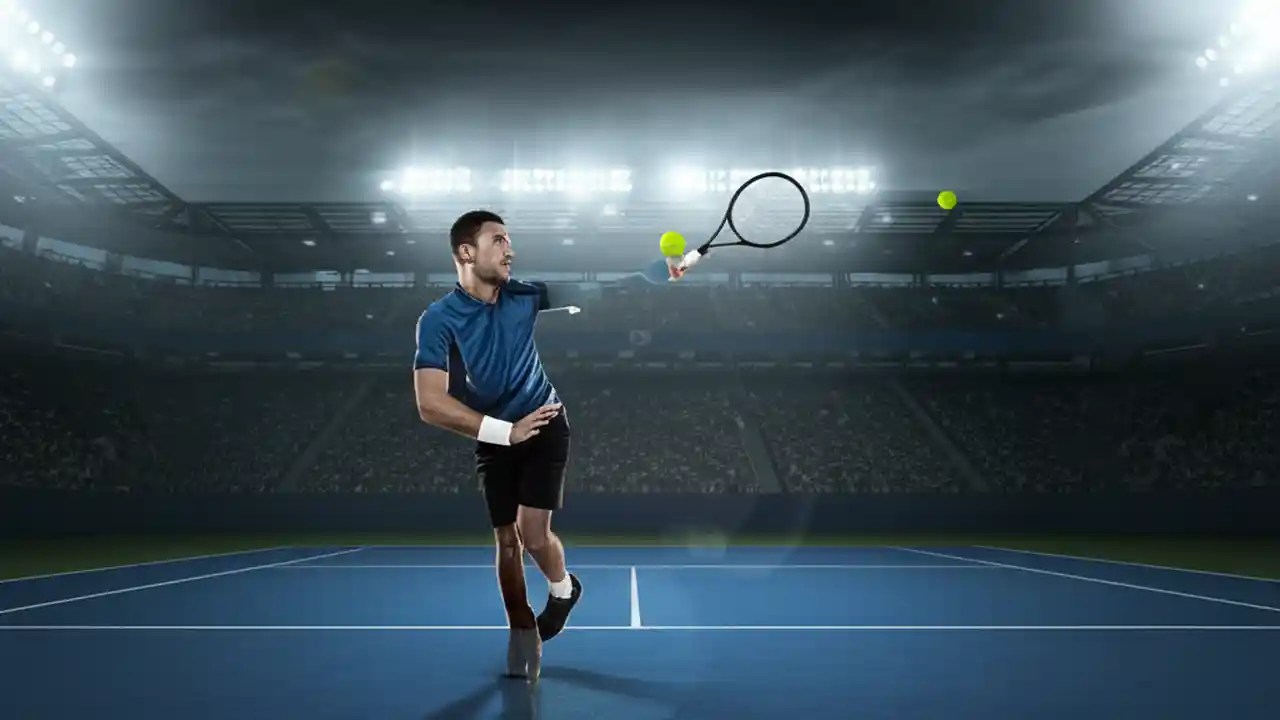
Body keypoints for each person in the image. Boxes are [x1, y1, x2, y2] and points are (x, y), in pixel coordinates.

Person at [412, 210, 702, 682]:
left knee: (532, 536)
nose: (510, 249)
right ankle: (521, 631)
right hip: (496, 432)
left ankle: (563, 589)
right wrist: (504, 432)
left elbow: (605, 288)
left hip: (545, 422)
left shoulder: (524, 295)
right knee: (506, 541)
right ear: (466, 252)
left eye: (510, 240)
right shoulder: (438, 319)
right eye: (498, 240)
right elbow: (429, 403)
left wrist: (659, 271)